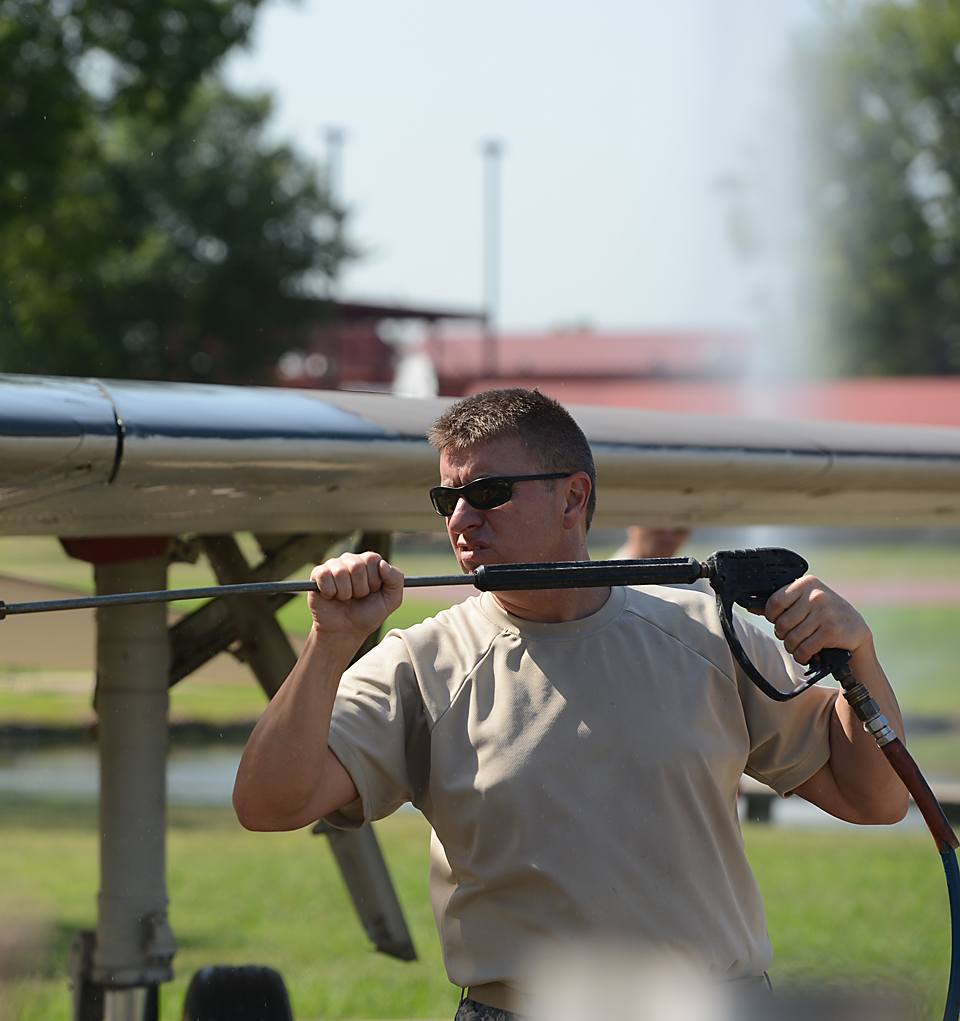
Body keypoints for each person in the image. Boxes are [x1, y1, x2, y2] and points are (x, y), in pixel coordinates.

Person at [232, 387, 908, 1020]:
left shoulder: (705, 633)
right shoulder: (421, 662)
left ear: (572, 498)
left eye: (489, 493)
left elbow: (874, 800)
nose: (463, 519)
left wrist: (860, 654)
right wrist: (329, 641)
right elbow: (269, 804)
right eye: (449, 500)